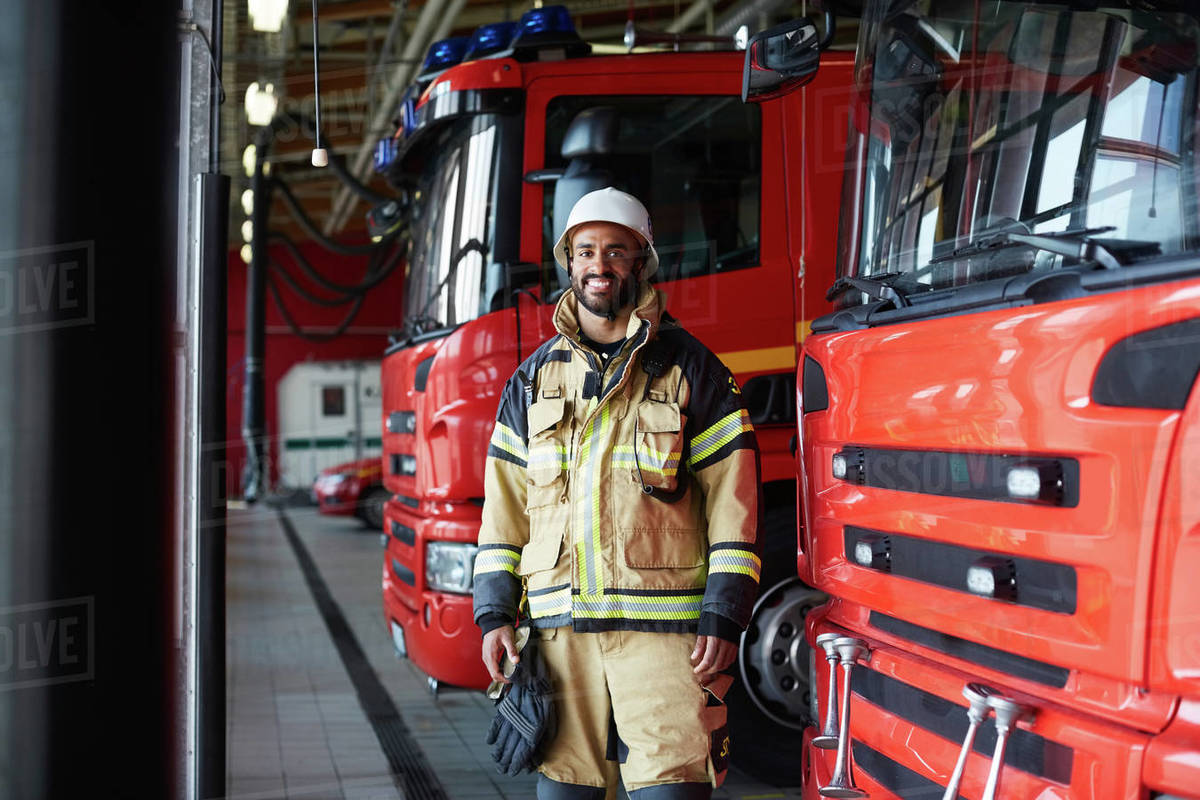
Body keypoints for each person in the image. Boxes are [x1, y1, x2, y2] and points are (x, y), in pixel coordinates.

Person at [473, 187, 762, 800]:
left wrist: (725, 613)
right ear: (569, 265)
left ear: (643, 262)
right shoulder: (530, 381)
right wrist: (495, 614)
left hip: (666, 648)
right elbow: (504, 513)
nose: (598, 265)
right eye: (584, 252)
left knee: (672, 791)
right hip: (558, 644)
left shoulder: (694, 370)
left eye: (615, 251)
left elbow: (734, 505)